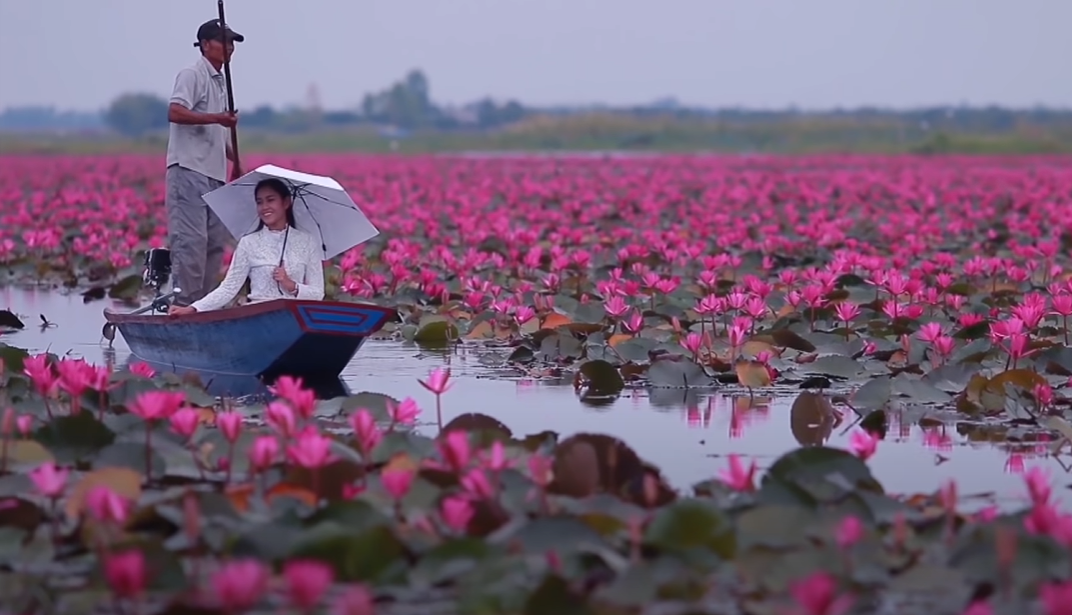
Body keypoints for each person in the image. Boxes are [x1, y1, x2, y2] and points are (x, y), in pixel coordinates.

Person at [165, 18, 245, 307]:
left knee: (214, 245)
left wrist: (235, 161)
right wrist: (217, 118)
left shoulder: (220, 82)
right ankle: (182, 305)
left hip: (215, 174)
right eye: (224, 41)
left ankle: (203, 306)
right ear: (205, 44)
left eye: (232, 43)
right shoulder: (192, 75)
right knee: (191, 243)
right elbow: (175, 111)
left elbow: (216, 132)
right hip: (189, 170)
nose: (230, 48)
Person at [168, 178, 325, 316]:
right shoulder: (248, 243)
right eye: (259, 202)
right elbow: (228, 289)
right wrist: (193, 308)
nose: (264, 207)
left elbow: (318, 293)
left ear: (285, 203)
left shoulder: (307, 242)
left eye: (270, 200)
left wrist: (292, 286)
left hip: (293, 317)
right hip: (258, 316)